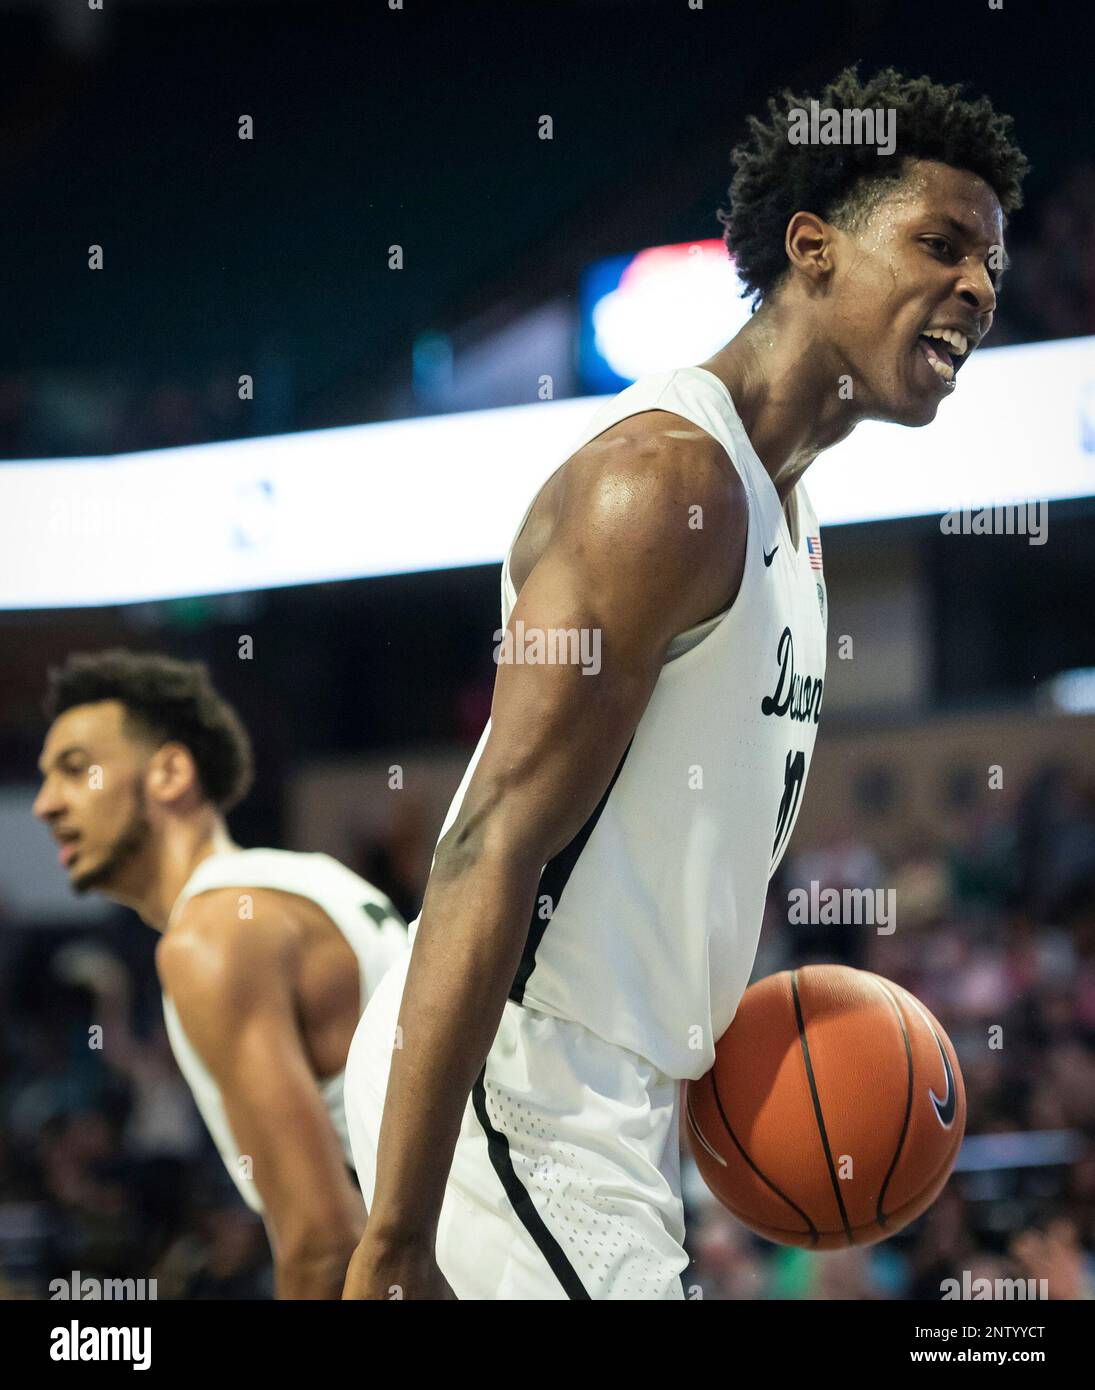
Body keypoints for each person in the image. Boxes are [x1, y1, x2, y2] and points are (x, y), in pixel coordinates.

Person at [342, 66, 1028, 1300]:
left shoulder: (793, 517)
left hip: (605, 1095)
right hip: (514, 1088)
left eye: (992, 263)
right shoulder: (664, 486)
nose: (978, 286)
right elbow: (487, 849)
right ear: (812, 248)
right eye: (941, 244)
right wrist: (393, 1241)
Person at [33, 649, 407, 1298]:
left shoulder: (212, 933)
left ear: (170, 772)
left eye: (75, 770)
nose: (45, 805)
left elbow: (325, 1241)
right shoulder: (304, 878)